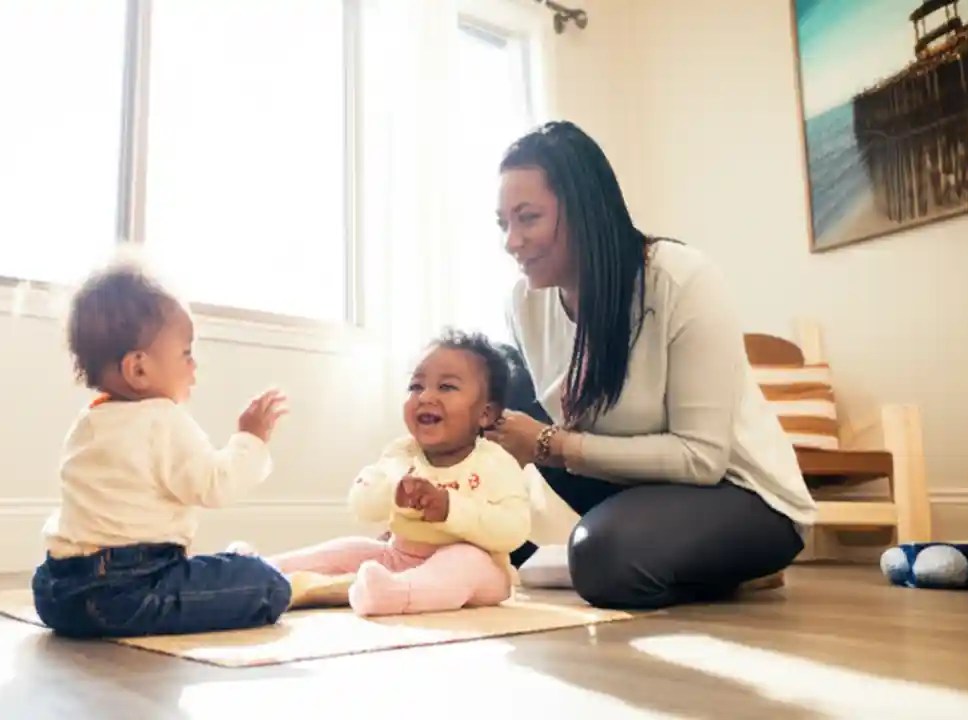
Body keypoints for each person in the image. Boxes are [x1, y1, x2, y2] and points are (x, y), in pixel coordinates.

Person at [484, 121, 818, 610]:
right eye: (502, 223)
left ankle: (725, 564)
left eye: (528, 218)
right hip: (635, 488)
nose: (512, 241)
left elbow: (702, 459)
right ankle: (634, 555)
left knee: (603, 556)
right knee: (485, 386)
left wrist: (551, 445)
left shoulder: (681, 280)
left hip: (739, 496)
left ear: (584, 210)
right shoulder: (523, 304)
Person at [31, 258, 292, 638]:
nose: (194, 366)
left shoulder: (89, 422)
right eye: (186, 353)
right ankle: (237, 566)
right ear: (138, 369)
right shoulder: (162, 420)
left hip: (57, 593)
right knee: (270, 586)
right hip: (130, 591)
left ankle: (229, 566)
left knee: (218, 573)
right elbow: (216, 484)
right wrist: (250, 437)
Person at [235, 329, 531, 617]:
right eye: (416, 386)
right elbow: (362, 505)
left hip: (482, 571)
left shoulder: (494, 462)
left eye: (446, 387)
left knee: (464, 560)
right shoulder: (401, 453)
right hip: (400, 557)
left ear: (486, 414)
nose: (425, 396)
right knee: (349, 550)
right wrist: (390, 491)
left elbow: (514, 530)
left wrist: (450, 508)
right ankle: (257, 569)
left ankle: (396, 594)